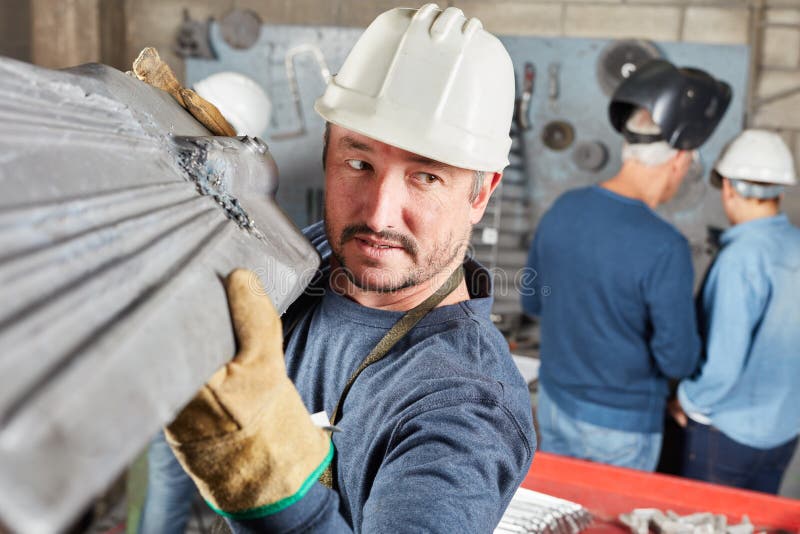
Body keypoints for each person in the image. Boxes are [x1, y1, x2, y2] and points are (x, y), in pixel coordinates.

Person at [143, 4, 536, 533]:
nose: (377, 215)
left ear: (480, 194)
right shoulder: (314, 257)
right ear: (328, 151)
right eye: (359, 163)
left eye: (426, 178)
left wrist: (273, 494)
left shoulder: (464, 408)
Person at [521, 59, 731, 471]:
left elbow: (533, 302)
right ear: (679, 162)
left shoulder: (564, 208)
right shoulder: (665, 246)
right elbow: (677, 360)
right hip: (621, 424)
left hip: (554, 403)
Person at [670, 129, 800, 494]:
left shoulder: (741, 258)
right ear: (778, 189)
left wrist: (686, 401)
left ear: (728, 187)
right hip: (783, 431)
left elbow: (722, 369)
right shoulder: (796, 246)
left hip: (726, 435)